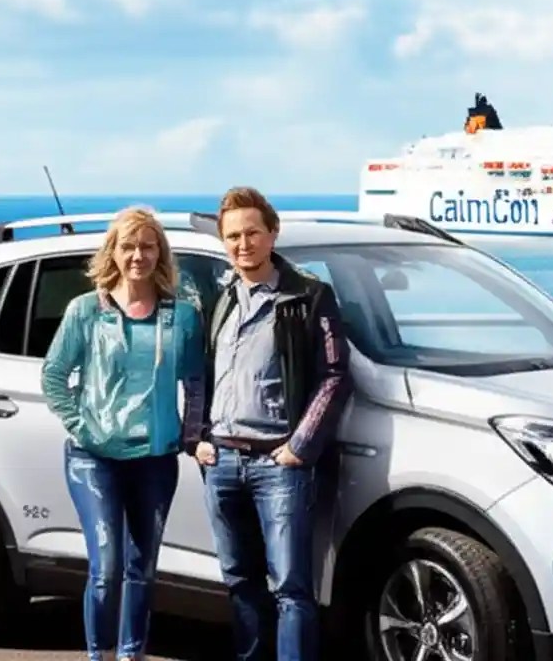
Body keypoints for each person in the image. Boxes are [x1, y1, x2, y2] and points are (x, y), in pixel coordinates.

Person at [182, 187, 354, 661]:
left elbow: (335, 375)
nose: (243, 244)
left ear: (272, 233)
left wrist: (300, 446)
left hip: (278, 463)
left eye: (252, 233)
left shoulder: (308, 296)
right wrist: (195, 437)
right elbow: (200, 372)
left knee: (291, 587)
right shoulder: (221, 299)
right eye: (233, 236)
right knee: (239, 581)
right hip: (220, 461)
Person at [41, 206, 206, 661]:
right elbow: (54, 375)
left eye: (148, 245)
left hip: (154, 459)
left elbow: (195, 383)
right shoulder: (86, 311)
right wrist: (81, 426)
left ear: (160, 252)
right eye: (129, 245)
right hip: (94, 459)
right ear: (112, 251)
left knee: (143, 569)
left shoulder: (183, 317)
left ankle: (131, 654)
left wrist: (192, 437)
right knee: (106, 567)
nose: (139, 255)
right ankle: (99, 654)